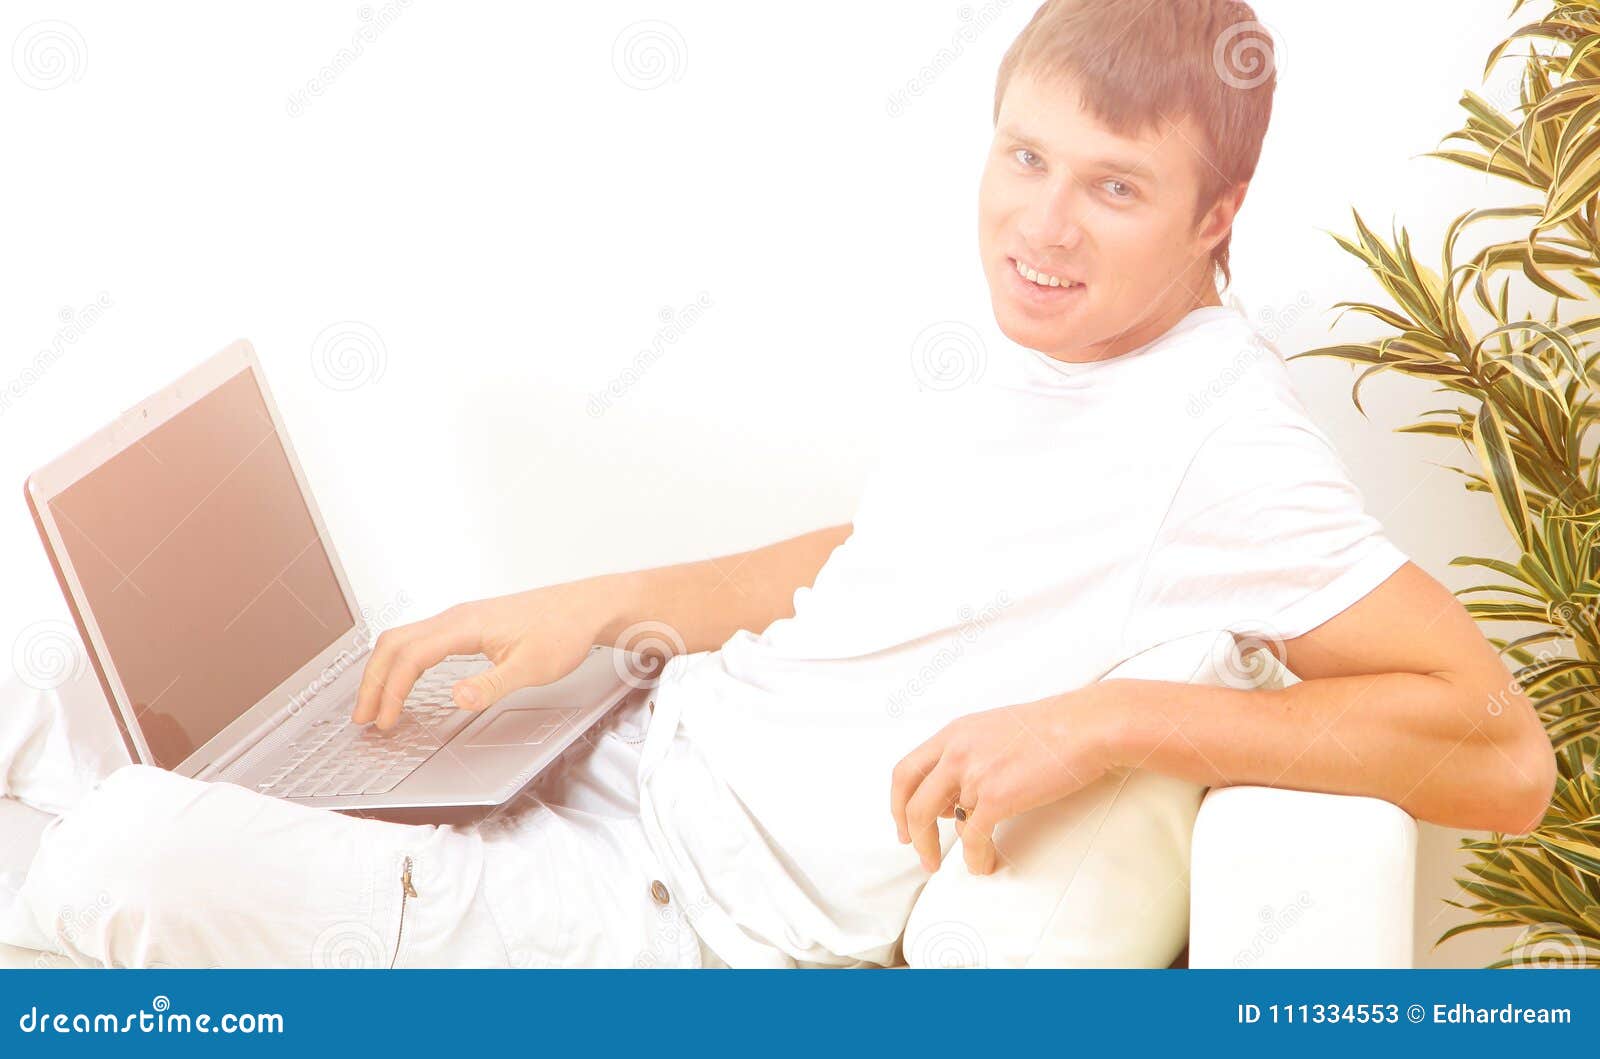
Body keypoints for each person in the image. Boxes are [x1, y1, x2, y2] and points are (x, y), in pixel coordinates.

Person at [11, 0, 1554, 969]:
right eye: (1022, 158)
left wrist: (1108, 719)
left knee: (113, 856)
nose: (1044, 229)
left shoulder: (1221, 439)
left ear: (1220, 216)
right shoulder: (1076, 352)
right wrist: (605, 608)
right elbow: (896, 554)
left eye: (1115, 187)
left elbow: (1501, 753)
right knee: (75, 695)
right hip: (628, 763)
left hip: (657, 919)